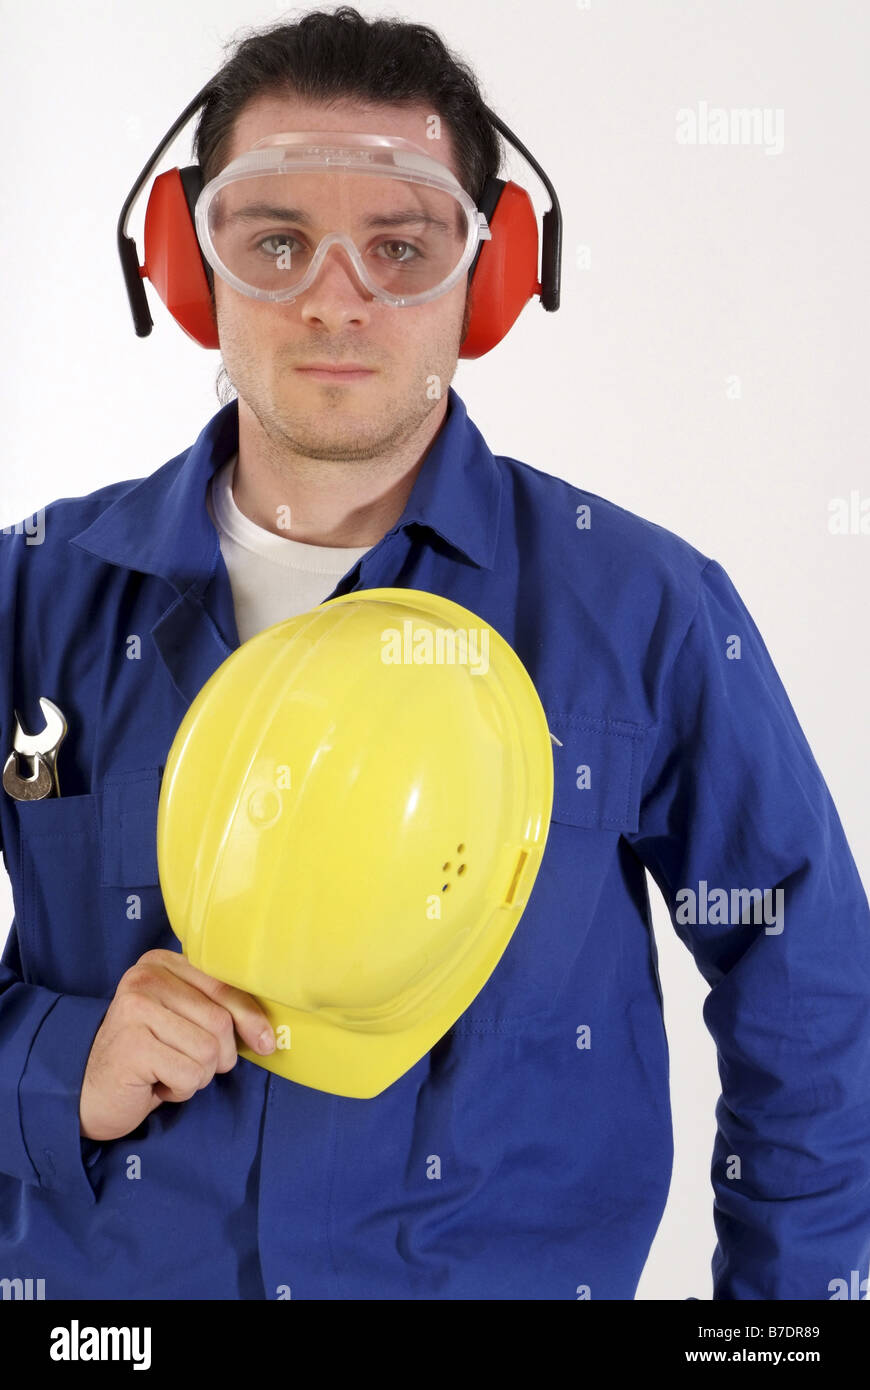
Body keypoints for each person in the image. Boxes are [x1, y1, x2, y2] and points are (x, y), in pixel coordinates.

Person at [1, 7, 868, 1302]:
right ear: (188, 271)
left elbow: (808, 992)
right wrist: (58, 1061)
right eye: (277, 240)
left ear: (492, 275)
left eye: (399, 247)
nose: (333, 299)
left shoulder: (640, 606)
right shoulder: (31, 592)